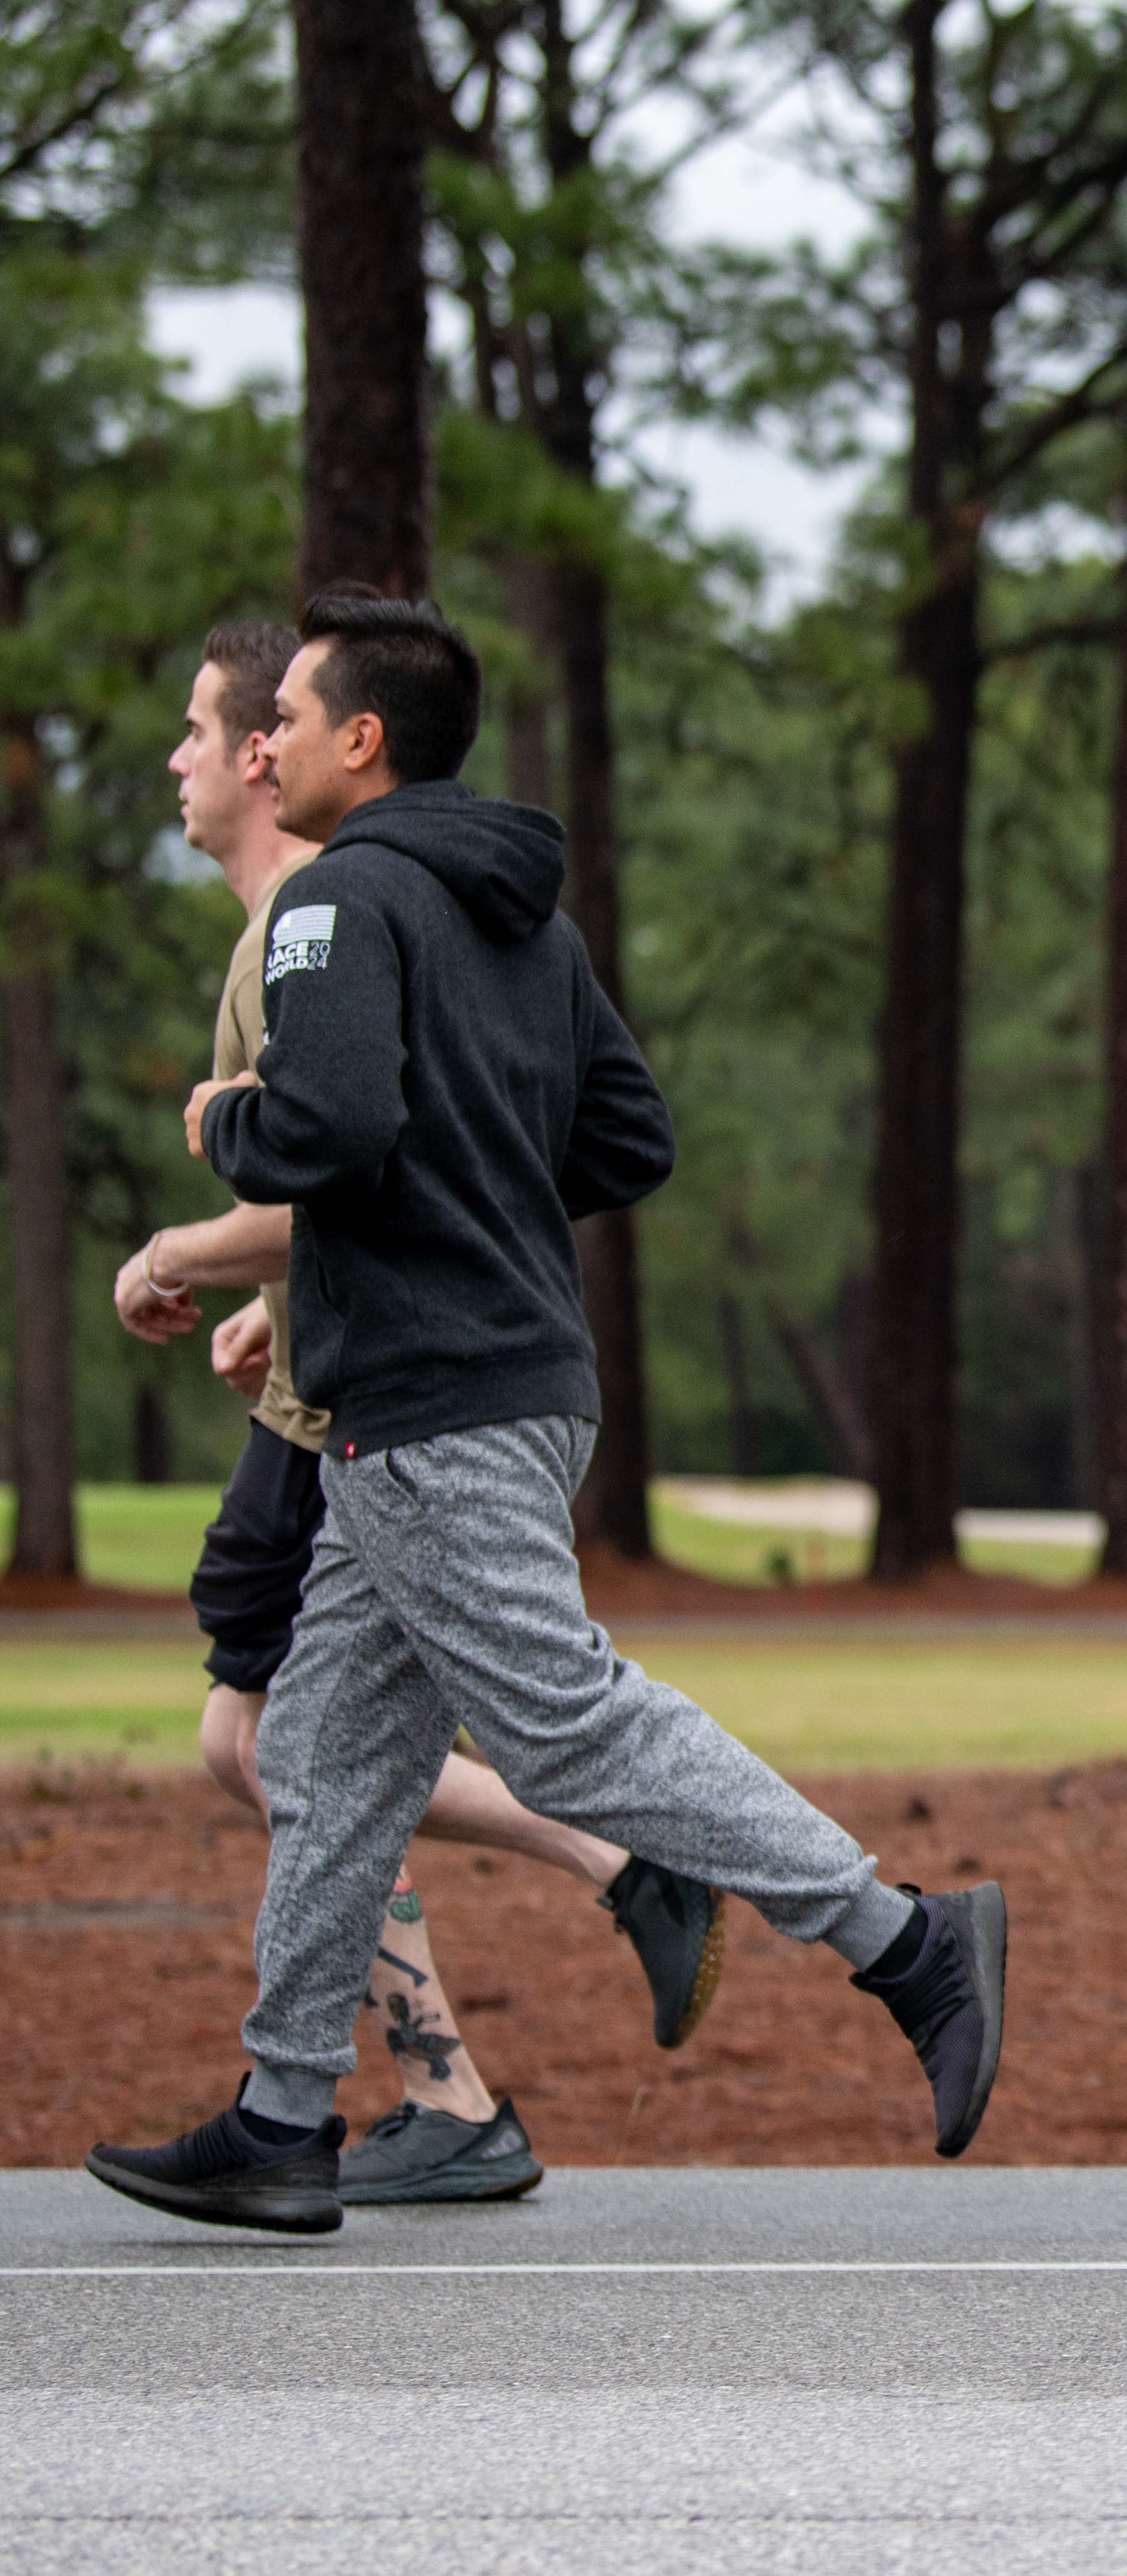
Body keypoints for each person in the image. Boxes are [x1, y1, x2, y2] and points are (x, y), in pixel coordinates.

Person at [85, 591, 1009, 2239]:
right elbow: (626, 1139)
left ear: (359, 740)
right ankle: (284, 2113)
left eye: (282, 714)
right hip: (488, 1379)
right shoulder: (525, 919)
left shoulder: (338, 905)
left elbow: (330, 1126)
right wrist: (470, 1189)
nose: (259, 738)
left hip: (432, 1396)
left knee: (565, 1718)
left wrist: (234, 1119)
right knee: (321, 1750)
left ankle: (904, 1939)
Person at [111, 619, 727, 2207]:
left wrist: (193, 1245)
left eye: (204, 729)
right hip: (358, 1381)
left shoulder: (317, 919)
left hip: (382, 1407)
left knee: (299, 1741)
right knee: (282, 1740)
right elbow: (387, 1167)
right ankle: (405, 2088)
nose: (177, 761)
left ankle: (630, 1898)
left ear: (290, 747)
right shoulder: (329, 916)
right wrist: (275, 1296)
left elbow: (349, 1145)